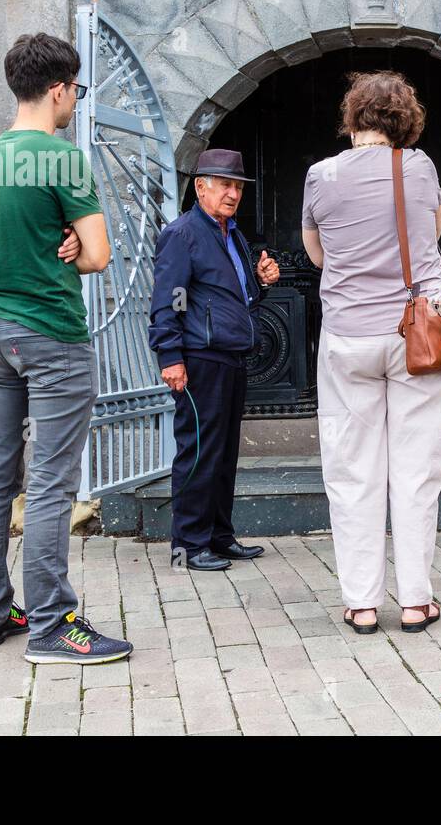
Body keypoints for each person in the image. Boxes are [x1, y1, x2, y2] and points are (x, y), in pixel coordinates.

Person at [0, 32, 132, 665]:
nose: (73, 104)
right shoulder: (62, 159)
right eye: (75, 92)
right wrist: (72, 248)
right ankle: (52, 626)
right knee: (51, 483)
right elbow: (98, 255)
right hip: (51, 335)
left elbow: (1, 241)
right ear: (59, 90)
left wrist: (52, 240)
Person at [302, 70, 441, 635]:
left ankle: (361, 603)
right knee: (417, 469)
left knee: (351, 471)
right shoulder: (420, 168)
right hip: (419, 332)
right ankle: (416, 600)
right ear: (405, 119)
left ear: (352, 117)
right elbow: (432, 231)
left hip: (348, 336)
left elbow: (316, 254)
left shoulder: (320, 175)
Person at [149, 149, 281, 571]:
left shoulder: (232, 234)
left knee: (223, 453)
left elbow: (240, 299)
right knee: (199, 450)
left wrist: (261, 282)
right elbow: (166, 301)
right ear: (201, 186)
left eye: (238, 186)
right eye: (224, 184)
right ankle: (187, 544)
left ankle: (219, 537)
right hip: (199, 357)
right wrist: (170, 356)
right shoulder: (183, 233)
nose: (233, 193)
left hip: (230, 355)